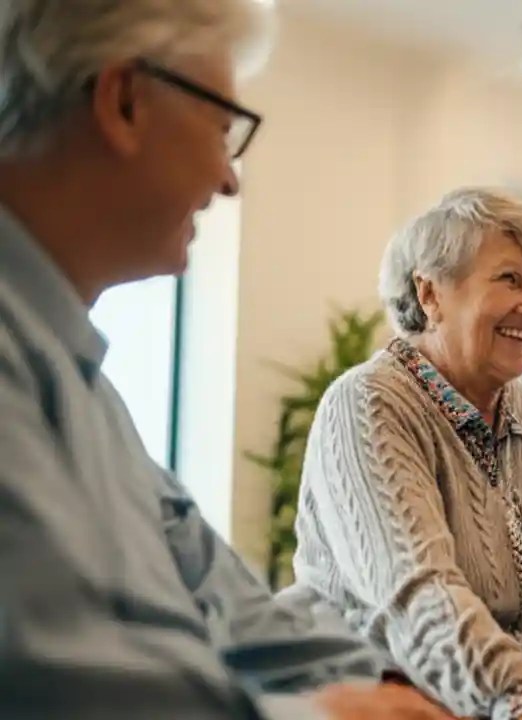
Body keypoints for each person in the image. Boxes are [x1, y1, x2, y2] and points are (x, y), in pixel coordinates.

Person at [0, 1, 456, 719]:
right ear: (123, 100)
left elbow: (231, 601)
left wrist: (388, 689)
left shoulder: (93, 397)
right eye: (222, 129)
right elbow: (51, 682)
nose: (229, 178)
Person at [278, 187, 522, 720]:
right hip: (402, 704)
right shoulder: (367, 403)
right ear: (429, 294)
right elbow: (418, 597)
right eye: (510, 280)